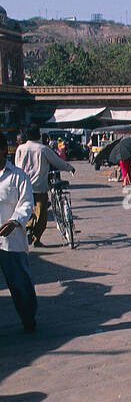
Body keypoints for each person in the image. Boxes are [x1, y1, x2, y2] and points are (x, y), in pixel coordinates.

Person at [0, 133, 37, 332]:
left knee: (20, 284)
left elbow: (26, 203)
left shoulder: (17, 176)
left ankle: (28, 318)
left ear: (4, 150)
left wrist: (15, 221)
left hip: (11, 242)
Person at [15, 125, 75, 247]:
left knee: (24, 211)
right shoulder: (43, 149)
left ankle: (28, 230)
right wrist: (69, 168)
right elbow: (57, 162)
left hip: (22, 188)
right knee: (41, 216)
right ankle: (36, 238)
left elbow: (17, 167)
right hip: (39, 187)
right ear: (38, 135)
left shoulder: (20, 149)